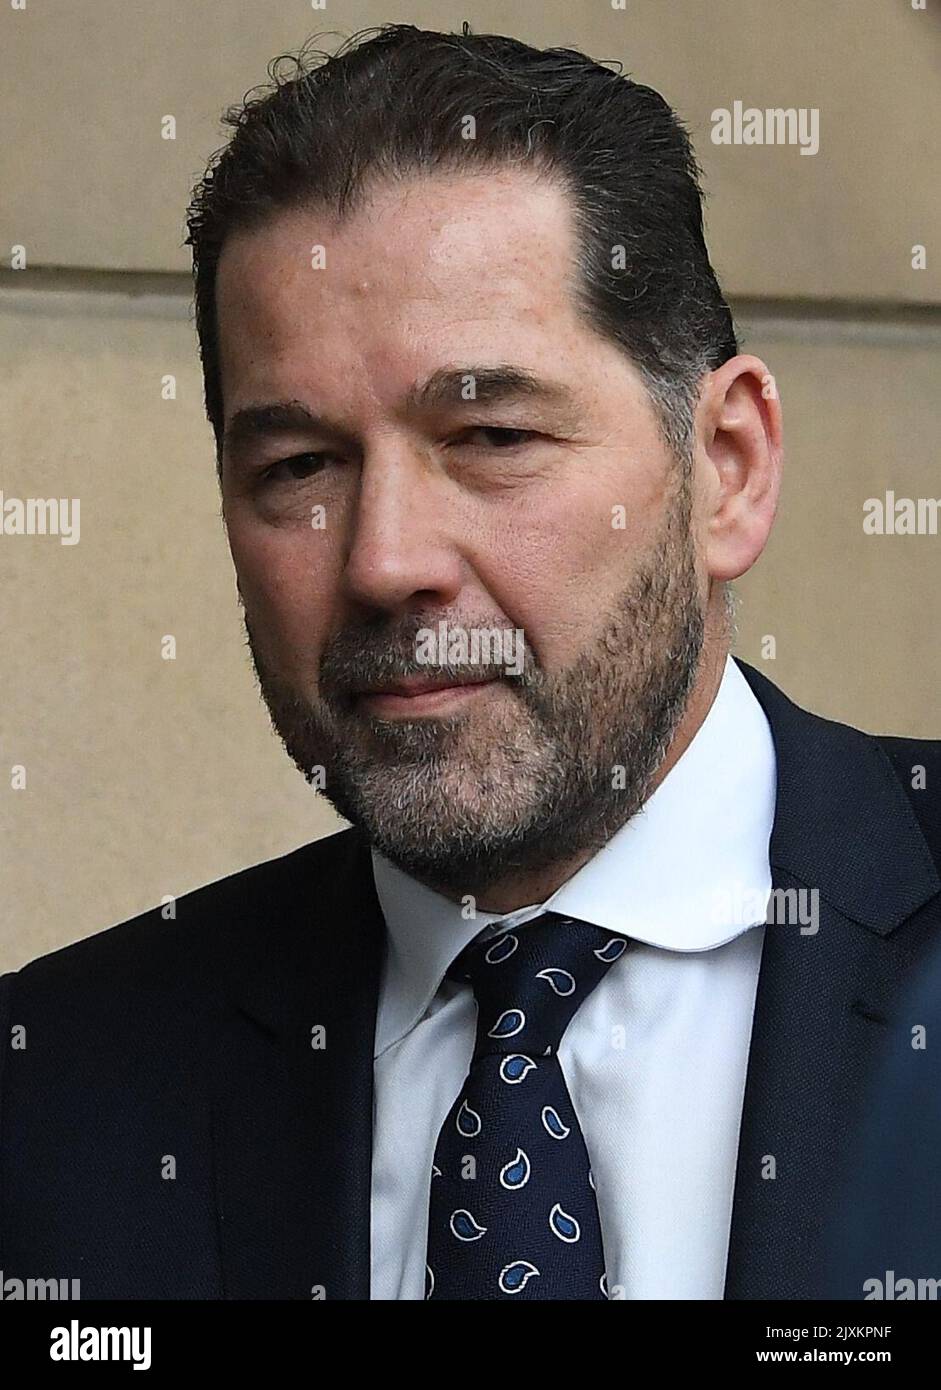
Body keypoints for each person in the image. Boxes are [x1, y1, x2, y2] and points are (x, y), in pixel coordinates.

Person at [1, 24, 938, 1301]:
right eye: (297, 469)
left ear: (725, 467)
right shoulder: (56, 1094)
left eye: (490, 434)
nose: (383, 561)